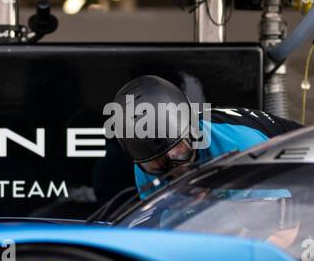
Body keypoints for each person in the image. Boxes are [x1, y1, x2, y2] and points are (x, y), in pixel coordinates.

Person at [104, 75, 300, 200]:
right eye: (158, 164)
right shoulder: (146, 165)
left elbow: (283, 230)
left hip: (304, 171)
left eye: (178, 152)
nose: (175, 170)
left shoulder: (242, 145)